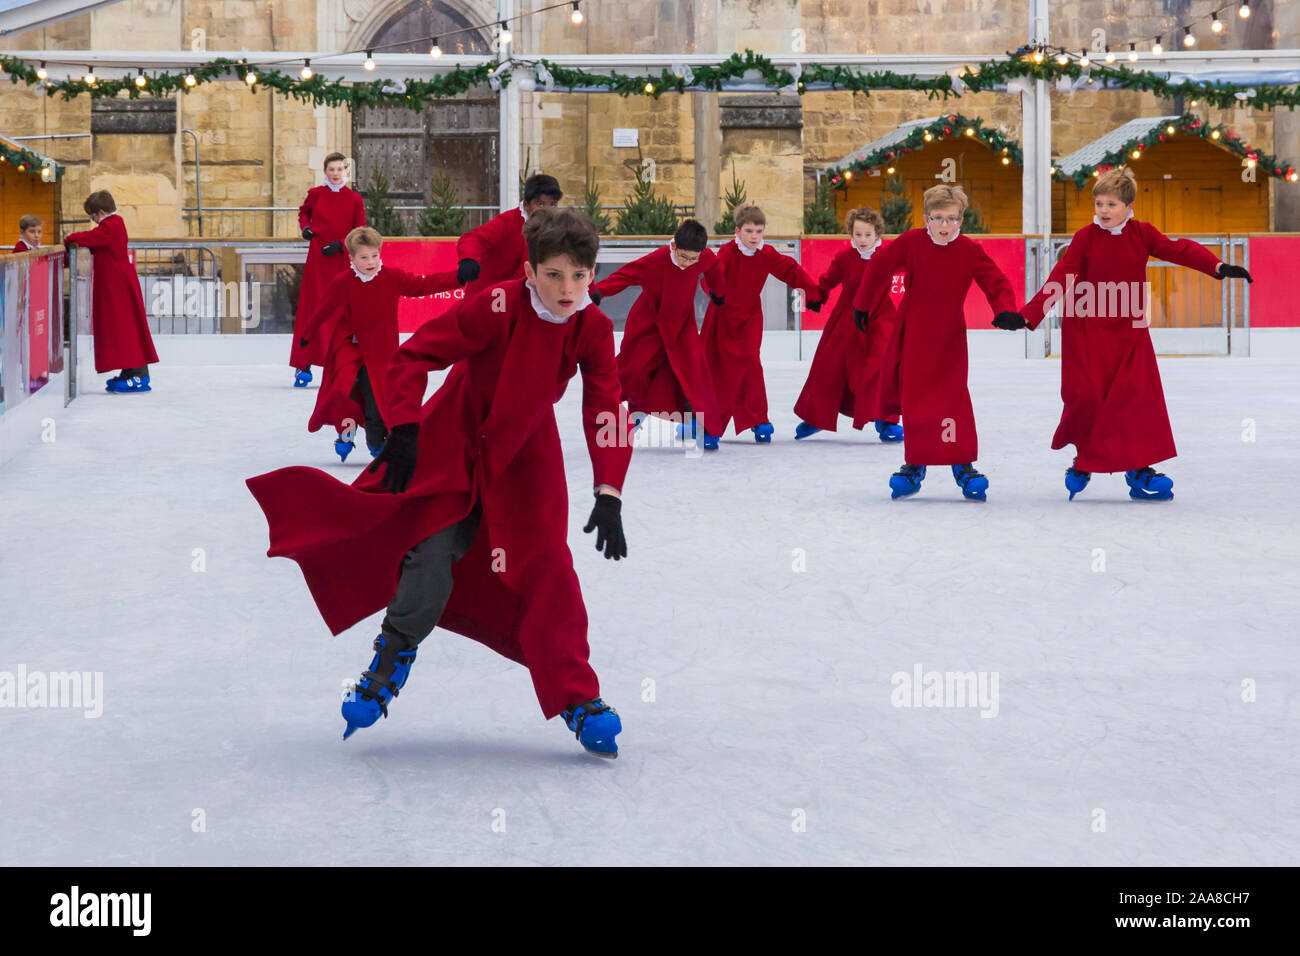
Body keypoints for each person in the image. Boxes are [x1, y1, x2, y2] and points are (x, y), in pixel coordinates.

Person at [245, 208, 635, 758]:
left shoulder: (592, 329)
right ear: (529, 272)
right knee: (429, 551)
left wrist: (610, 491)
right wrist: (403, 428)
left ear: (592, 276)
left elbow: (606, 404)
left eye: (578, 276)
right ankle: (391, 660)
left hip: (526, 452)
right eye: (553, 275)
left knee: (547, 564)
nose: (566, 289)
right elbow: (416, 354)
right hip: (456, 438)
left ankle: (577, 696)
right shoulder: (495, 306)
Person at [1011, 166, 1252, 500]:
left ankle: (1138, 469)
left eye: (1111, 205)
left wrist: (1217, 266)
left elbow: (1178, 249)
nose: (1104, 211)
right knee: (1089, 397)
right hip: (1087, 330)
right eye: (1099, 204)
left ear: (1128, 206)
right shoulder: (1085, 238)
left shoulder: (1143, 234)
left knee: (1135, 400)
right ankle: (1085, 458)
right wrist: (1028, 316)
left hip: (1129, 332)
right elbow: (1062, 275)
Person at [852, 184, 1024, 500]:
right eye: (938, 218)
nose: (945, 226)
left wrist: (1005, 310)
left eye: (952, 219)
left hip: (949, 338)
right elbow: (878, 267)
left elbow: (995, 281)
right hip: (914, 333)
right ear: (925, 218)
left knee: (952, 400)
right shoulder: (912, 242)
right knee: (916, 401)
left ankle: (962, 464)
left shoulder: (969, 250)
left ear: (961, 219)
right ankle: (915, 464)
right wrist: (862, 304)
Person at [297, 226, 459, 462]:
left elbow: (425, 284)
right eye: (364, 257)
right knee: (344, 391)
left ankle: (376, 442)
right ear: (351, 258)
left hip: (381, 353)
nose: (371, 262)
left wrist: (459, 278)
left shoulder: (391, 277)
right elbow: (324, 309)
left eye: (374, 255)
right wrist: (307, 333)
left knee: (376, 402)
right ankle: (346, 431)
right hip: (349, 349)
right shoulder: (343, 282)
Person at [590, 218, 726, 446]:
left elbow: (714, 268)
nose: (687, 263)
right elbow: (624, 276)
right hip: (648, 325)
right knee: (636, 368)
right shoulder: (655, 261)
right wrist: (599, 292)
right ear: (673, 246)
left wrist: (718, 292)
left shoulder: (703, 258)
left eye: (693, 259)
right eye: (683, 256)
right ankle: (635, 412)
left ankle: (704, 425)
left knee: (693, 372)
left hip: (682, 326)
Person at [700, 204, 822, 446]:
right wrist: (714, 291)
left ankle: (758, 419)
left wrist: (813, 292)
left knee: (750, 366)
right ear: (737, 231)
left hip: (748, 319)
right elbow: (713, 273)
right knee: (717, 369)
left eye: (759, 231)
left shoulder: (766, 254)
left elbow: (791, 270)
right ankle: (709, 424)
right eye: (749, 231)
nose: (754, 236)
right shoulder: (727, 252)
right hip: (722, 317)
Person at [793, 206, 903, 443]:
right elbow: (826, 282)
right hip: (846, 320)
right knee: (828, 368)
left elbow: (914, 264)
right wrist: (815, 297)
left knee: (880, 368)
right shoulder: (844, 259)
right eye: (857, 234)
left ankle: (887, 421)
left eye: (867, 235)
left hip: (880, 320)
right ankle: (816, 416)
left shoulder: (889, 257)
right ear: (851, 234)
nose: (862, 240)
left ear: (877, 235)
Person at [63, 191, 158, 393]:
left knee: (127, 327)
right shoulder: (111, 226)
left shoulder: (112, 225)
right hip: (115, 285)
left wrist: (70, 238)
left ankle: (139, 373)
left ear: (101, 212)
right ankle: (129, 369)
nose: (93, 221)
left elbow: (88, 238)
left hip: (119, 286)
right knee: (120, 328)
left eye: (93, 217)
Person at [291, 152, 366, 387]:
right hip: (318, 260)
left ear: (346, 172)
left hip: (341, 260)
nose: (335, 173)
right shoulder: (316, 194)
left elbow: (360, 229)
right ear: (325, 172)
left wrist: (342, 245)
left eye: (340, 169)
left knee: (340, 310)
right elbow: (304, 213)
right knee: (312, 307)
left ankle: (341, 362)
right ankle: (303, 364)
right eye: (331, 169)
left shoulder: (354, 199)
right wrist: (305, 229)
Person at [455, 174, 562, 299]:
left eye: (553, 204)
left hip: (525, 301)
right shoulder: (508, 222)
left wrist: (589, 291)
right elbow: (473, 239)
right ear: (526, 205)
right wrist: (468, 259)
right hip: (488, 299)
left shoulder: (557, 228)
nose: (547, 210)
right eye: (540, 204)